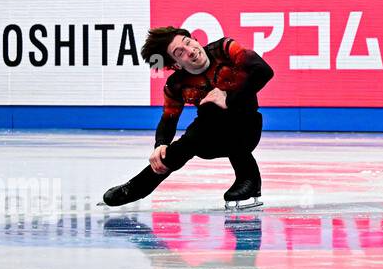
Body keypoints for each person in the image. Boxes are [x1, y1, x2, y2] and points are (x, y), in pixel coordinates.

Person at [102, 26, 275, 210]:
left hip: (246, 129)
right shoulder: (176, 84)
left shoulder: (224, 49)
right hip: (210, 140)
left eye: (188, 43)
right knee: (191, 135)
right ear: (176, 64)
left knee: (210, 110)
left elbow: (263, 70)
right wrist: (161, 144)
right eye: (180, 52)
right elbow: (169, 118)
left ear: (195, 39)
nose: (190, 51)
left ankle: (248, 178)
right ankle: (137, 187)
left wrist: (229, 97)